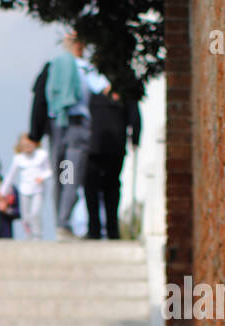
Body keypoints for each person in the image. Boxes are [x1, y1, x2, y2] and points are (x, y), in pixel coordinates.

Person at [46, 30, 110, 239]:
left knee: (61, 175)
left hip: (58, 125)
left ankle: (61, 221)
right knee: (70, 176)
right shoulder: (83, 69)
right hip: (75, 128)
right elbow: (104, 87)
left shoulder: (56, 66)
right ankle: (63, 223)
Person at [85, 89, 141, 239]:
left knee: (96, 187)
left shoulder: (92, 89)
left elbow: (134, 116)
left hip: (99, 147)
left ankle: (97, 230)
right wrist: (135, 139)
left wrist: (135, 138)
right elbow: (135, 116)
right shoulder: (123, 88)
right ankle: (109, 229)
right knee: (109, 187)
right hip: (108, 146)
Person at [0, 133, 50, 240]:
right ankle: (29, 234)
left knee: (35, 213)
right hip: (24, 189)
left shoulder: (42, 155)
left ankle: (37, 235)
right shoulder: (18, 158)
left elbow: (49, 171)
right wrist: (2, 192)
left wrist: (42, 177)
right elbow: (10, 176)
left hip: (38, 189)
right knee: (25, 216)